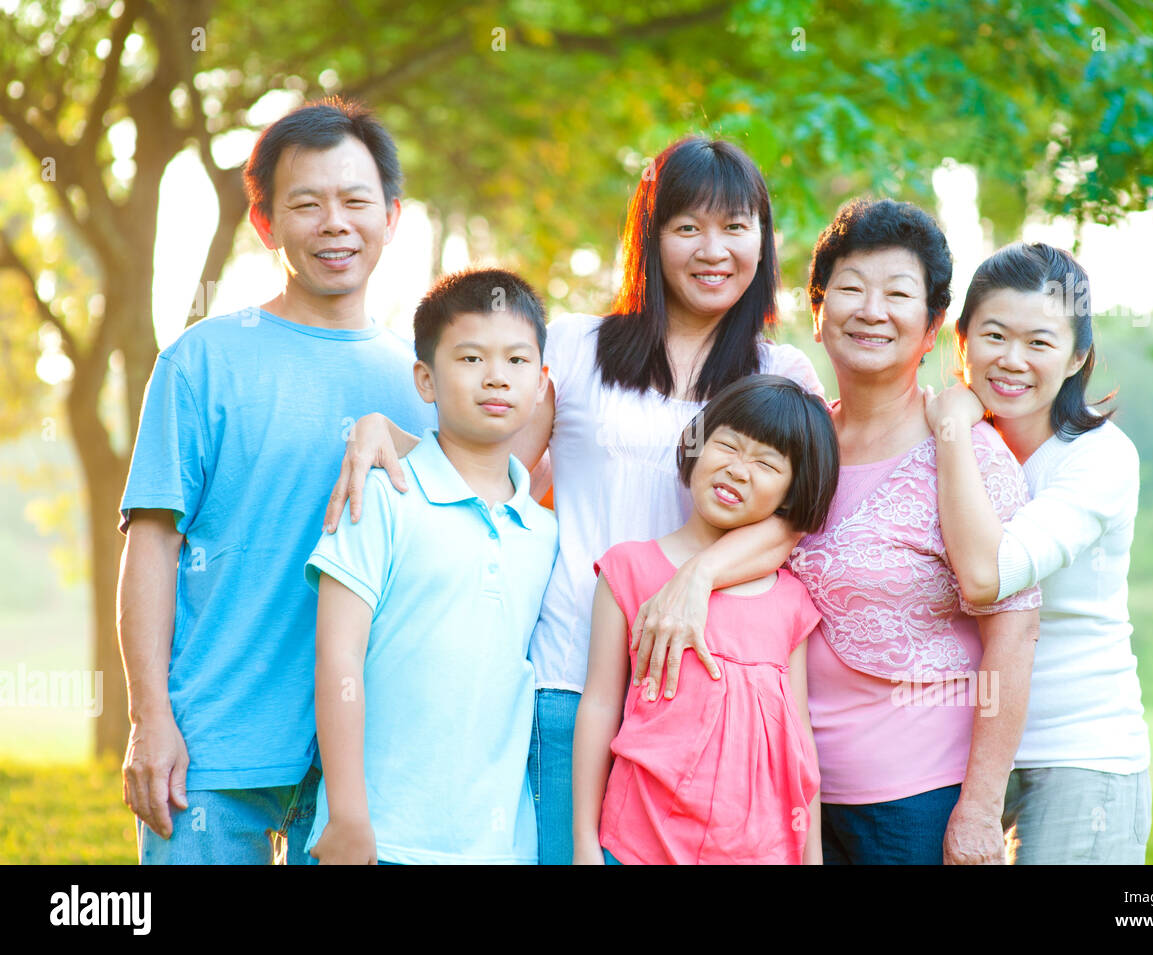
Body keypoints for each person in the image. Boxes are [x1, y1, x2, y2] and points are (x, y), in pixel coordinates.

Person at [325, 137, 824, 864]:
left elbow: (795, 520)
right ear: (651, 239)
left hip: (703, 686)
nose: (712, 249)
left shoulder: (780, 372)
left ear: (763, 239)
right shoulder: (579, 347)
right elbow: (489, 463)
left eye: (735, 226)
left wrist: (693, 580)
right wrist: (386, 431)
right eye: (687, 226)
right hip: (565, 670)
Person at [635, 198, 1042, 864]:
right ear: (818, 312)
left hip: (916, 802)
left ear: (934, 323)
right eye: (850, 289)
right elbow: (768, 545)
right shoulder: (796, 449)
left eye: (898, 294)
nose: (871, 309)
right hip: (789, 795)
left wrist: (978, 807)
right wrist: (695, 576)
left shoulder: (968, 454)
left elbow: (1015, 631)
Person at [117, 98, 436, 864]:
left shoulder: (422, 383)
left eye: (356, 201)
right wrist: (149, 715)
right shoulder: (201, 360)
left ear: (391, 217)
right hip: (214, 746)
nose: (335, 223)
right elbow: (152, 546)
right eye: (307, 203)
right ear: (265, 224)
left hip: (363, 762)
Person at [306, 268, 557, 865]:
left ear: (542, 383)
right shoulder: (382, 495)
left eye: (518, 361)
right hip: (379, 837)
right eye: (470, 358)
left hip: (497, 847)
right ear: (425, 379)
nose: (496, 376)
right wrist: (348, 816)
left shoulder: (543, 530)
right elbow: (337, 657)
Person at [923, 241, 1149, 864]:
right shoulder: (945, 442)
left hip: (1079, 753)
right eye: (994, 335)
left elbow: (984, 577)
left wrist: (950, 427)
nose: (1012, 361)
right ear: (961, 339)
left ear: (1078, 357)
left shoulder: (1099, 458)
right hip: (955, 753)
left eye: (1040, 343)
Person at [572, 376, 839, 865]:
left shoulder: (791, 600)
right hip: (637, 844)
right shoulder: (629, 569)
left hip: (761, 850)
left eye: (766, 463)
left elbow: (798, 739)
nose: (738, 470)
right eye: (727, 446)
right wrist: (584, 844)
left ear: (790, 491)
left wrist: (812, 854)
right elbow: (599, 705)